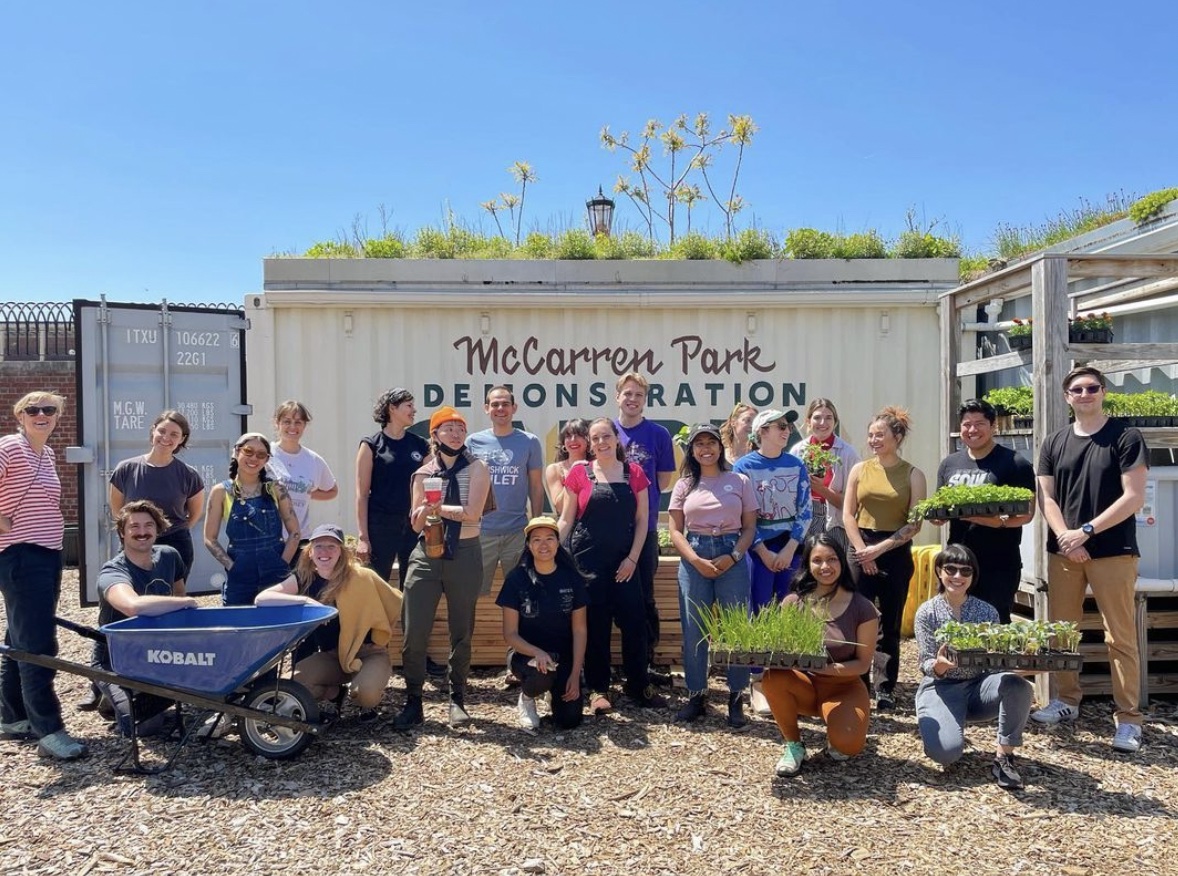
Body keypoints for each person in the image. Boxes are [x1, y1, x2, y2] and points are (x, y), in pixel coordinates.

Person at [1032, 366, 1148, 754]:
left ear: (1103, 392)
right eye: (1077, 389)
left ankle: (1129, 719)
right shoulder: (1054, 441)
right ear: (1067, 396)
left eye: (1092, 388)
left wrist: (1086, 531)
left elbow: (1133, 497)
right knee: (1061, 631)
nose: (1085, 394)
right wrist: (1067, 538)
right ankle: (1066, 700)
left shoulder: (1125, 437)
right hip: (1064, 553)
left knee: (1121, 636)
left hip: (1112, 551)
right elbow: (1046, 498)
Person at [0, 392, 87, 760]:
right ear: (20, 415)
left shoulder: (46, 454)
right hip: (21, 555)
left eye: (49, 410)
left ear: (57, 417)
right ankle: (48, 729)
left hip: (47, 554)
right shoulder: (9, 448)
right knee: (38, 645)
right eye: (32, 409)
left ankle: (13, 716)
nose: (41, 415)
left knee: (19, 636)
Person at [393, 407, 491, 730]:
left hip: (465, 551)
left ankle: (457, 697)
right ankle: (414, 700)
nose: (455, 433)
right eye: (447, 428)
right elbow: (415, 521)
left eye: (459, 428)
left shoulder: (478, 468)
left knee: (461, 629)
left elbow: (474, 513)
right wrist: (424, 510)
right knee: (414, 629)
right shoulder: (423, 474)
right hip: (427, 551)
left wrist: (438, 507)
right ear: (434, 435)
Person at [558, 417, 664, 712]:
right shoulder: (580, 473)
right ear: (589, 445)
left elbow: (643, 520)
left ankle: (638, 685)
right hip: (587, 562)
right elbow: (567, 519)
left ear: (617, 439)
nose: (601, 442)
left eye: (606, 436)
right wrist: (550, 547)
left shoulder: (634, 473)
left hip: (626, 563)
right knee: (595, 625)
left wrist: (632, 558)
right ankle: (598, 689)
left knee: (634, 624)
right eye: (595, 438)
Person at [914, 544, 1033, 789]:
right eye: (951, 569)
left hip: (979, 685)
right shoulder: (927, 612)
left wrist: (1026, 666)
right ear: (939, 571)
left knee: (1018, 686)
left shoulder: (986, 611)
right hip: (941, 687)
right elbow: (925, 662)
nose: (958, 577)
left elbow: (996, 660)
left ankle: (1004, 758)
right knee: (946, 754)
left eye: (965, 571)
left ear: (973, 576)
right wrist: (938, 666)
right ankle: (944, 722)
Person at [257, 524, 402, 722]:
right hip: (333, 655)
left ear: (341, 552)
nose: (324, 552)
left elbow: (394, 601)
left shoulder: (361, 576)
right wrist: (305, 600)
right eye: (319, 546)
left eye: (332, 546)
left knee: (366, 695)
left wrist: (381, 634)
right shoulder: (304, 578)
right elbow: (262, 599)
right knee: (292, 685)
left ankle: (363, 697)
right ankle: (334, 694)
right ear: (310, 552)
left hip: (369, 652)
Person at [761, 534, 879, 777]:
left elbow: (862, 664)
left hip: (843, 687)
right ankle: (793, 745)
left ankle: (836, 730)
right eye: (817, 560)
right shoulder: (793, 603)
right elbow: (784, 649)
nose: (825, 567)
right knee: (773, 677)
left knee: (847, 746)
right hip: (805, 686)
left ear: (842, 563)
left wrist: (822, 667)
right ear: (808, 565)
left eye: (832, 559)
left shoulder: (862, 607)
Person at [668, 424, 757, 728]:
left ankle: (735, 696)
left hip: (730, 552)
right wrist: (694, 560)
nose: (705, 449)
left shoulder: (739, 480)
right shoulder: (685, 485)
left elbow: (749, 528)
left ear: (720, 447)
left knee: (735, 627)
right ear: (691, 451)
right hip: (695, 554)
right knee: (695, 629)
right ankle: (697, 696)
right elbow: (675, 531)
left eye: (711, 443)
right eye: (699, 444)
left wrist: (733, 556)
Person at [843, 406, 926, 711]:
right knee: (856, 620)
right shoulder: (859, 469)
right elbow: (848, 514)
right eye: (871, 435)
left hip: (894, 551)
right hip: (859, 545)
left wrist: (880, 549)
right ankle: (857, 682)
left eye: (880, 434)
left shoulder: (913, 474)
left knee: (889, 623)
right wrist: (861, 550)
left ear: (898, 436)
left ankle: (885, 686)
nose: (874, 440)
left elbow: (915, 523)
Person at [734, 409, 813, 716]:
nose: (787, 430)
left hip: (789, 547)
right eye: (780, 425)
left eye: (788, 425)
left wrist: (791, 547)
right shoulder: (744, 466)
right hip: (758, 550)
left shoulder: (796, 465)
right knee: (758, 610)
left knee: (791, 608)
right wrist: (763, 551)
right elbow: (741, 513)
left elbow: (805, 509)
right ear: (762, 431)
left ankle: (790, 678)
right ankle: (758, 681)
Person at [95, 501, 197, 737]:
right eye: (134, 527)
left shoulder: (170, 557)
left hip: (157, 654)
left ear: (158, 529)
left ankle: (123, 699)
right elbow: (132, 606)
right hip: (116, 658)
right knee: (144, 727)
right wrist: (186, 603)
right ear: (122, 533)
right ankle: (112, 695)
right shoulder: (113, 571)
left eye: (149, 525)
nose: (142, 532)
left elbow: (178, 594)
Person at [935, 399, 1036, 623]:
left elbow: (1026, 514)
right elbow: (941, 506)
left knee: (995, 623)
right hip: (958, 559)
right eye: (966, 424)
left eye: (979, 424)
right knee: (953, 621)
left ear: (993, 427)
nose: (972, 430)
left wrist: (994, 522)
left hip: (998, 561)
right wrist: (938, 518)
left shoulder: (1015, 463)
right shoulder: (949, 464)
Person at [497, 516, 588, 732]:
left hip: (562, 657)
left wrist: (575, 674)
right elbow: (510, 634)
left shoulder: (572, 579)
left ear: (558, 542)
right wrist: (536, 651)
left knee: (569, 720)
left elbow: (580, 629)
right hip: (525, 655)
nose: (543, 545)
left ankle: (554, 691)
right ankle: (528, 697)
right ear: (528, 545)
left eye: (549, 538)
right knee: (540, 672)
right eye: (536, 540)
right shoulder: (516, 579)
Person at [614, 371, 676, 682]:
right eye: (627, 394)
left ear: (645, 400)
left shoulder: (659, 434)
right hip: (608, 529)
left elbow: (663, 482)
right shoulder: (604, 431)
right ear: (617, 397)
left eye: (638, 395)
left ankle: (645, 662)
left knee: (644, 596)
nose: (632, 400)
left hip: (646, 528)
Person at [203, 433, 301, 605]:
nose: (254, 458)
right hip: (240, 577)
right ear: (236, 452)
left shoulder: (276, 489)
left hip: (276, 573)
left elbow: (295, 532)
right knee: (239, 625)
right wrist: (231, 566)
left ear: (266, 460)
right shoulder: (221, 492)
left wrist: (282, 563)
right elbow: (209, 538)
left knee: (276, 624)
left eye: (261, 455)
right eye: (248, 451)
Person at [467, 386, 545, 596]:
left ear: (514, 408)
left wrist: (536, 525)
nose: (500, 408)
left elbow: (536, 486)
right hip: (482, 532)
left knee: (522, 593)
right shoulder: (473, 442)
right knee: (474, 593)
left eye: (505, 404)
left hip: (517, 533)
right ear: (486, 408)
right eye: (495, 404)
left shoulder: (530, 441)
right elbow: (464, 485)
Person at [109, 410, 205, 572]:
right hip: (136, 540)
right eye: (162, 431)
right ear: (153, 430)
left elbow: (194, 515)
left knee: (172, 595)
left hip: (175, 544)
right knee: (136, 593)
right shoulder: (125, 469)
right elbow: (118, 511)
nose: (166, 438)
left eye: (174, 434)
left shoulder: (189, 475)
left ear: (182, 439)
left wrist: (174, 531)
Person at [355, 388, 430, 588]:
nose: (414, 410)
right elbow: (362, 495)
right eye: (409, 406)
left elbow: (432, 485)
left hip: (412, 526)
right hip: (380, 526)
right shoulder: (371, 445)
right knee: (376, 585)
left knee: (412, 585)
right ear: (392, 408)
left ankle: (409, 620)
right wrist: (363, 538)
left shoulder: (421, 445)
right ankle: (377, 621)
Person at [267, 401, 337, 557]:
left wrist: (305, 493)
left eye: (298, 422)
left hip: (299, 538)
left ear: (305, 425)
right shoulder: (266, 454)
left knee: (295, 581)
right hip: (268, 537)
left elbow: (332, 490)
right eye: (287, 421)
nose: (293, 427)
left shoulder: (313, 460)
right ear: (277, 423)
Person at [789, 398, 860, 554]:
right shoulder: (797, 451)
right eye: (817, 417)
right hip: (804, 519)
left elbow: (852, 504)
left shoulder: (848, 454)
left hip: (835, 521)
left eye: (829, 418)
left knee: (835, 566)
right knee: (807, 567)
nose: (823, 422)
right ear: (808, 421)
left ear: (835, 422)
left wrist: (821, 489)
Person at [543, 418, 591, 518]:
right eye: (568, 436)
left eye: (578, 435)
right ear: (563, 443)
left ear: (588, 440)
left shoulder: (597, 466)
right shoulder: (555, 469)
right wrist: (574, 471)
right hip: (568, 528)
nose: (573, 440)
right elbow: (560, 506)